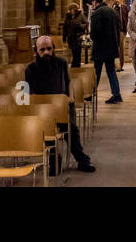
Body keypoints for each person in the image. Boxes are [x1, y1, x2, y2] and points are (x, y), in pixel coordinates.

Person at [24, 35, 94, 173]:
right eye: (42, 50)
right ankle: (54, 160)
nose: (46, 53)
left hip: (62, 107)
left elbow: (68, 83)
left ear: (53, 49)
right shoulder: (30, 69)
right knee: (45, 130)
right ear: (36, 51)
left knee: (71, 130)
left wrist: (71, 98)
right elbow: (27, 93)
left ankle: (81, 160)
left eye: (49, 49)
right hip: (43, 111)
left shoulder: (61, 63)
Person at [89, 0, 123, 103]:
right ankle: (116, 94)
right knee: (111, 71)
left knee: (96, 72)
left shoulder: (96, 14)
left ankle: (91, 94)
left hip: (100, 48)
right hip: (111, 47)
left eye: (92, 3)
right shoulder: (112, 12)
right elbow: (118, 30)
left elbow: (94, 34)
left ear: (95, 2)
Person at [62, 3, 88, 68]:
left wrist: (80, 26)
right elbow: (65, 27)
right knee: (74, 52)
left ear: (75, 10)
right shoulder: (68, 17)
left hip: (78, 37)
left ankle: (76, 66)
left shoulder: (81, 15)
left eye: (71, 9)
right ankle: (75, 66)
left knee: (77, 53)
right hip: (71, 37)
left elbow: (86, 23)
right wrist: (64, 37)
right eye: (69, 10)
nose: (70, 11)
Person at [110, 0, 130, 70]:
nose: (116, 0)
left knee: (121, 48)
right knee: (115, 48)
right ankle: (116, 66)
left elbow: (129, 17)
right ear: (112, 0)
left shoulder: (124, 7)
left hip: (122, 30)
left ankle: (120, 65)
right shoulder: (111, 8)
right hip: (114, 31)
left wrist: (128, 27)